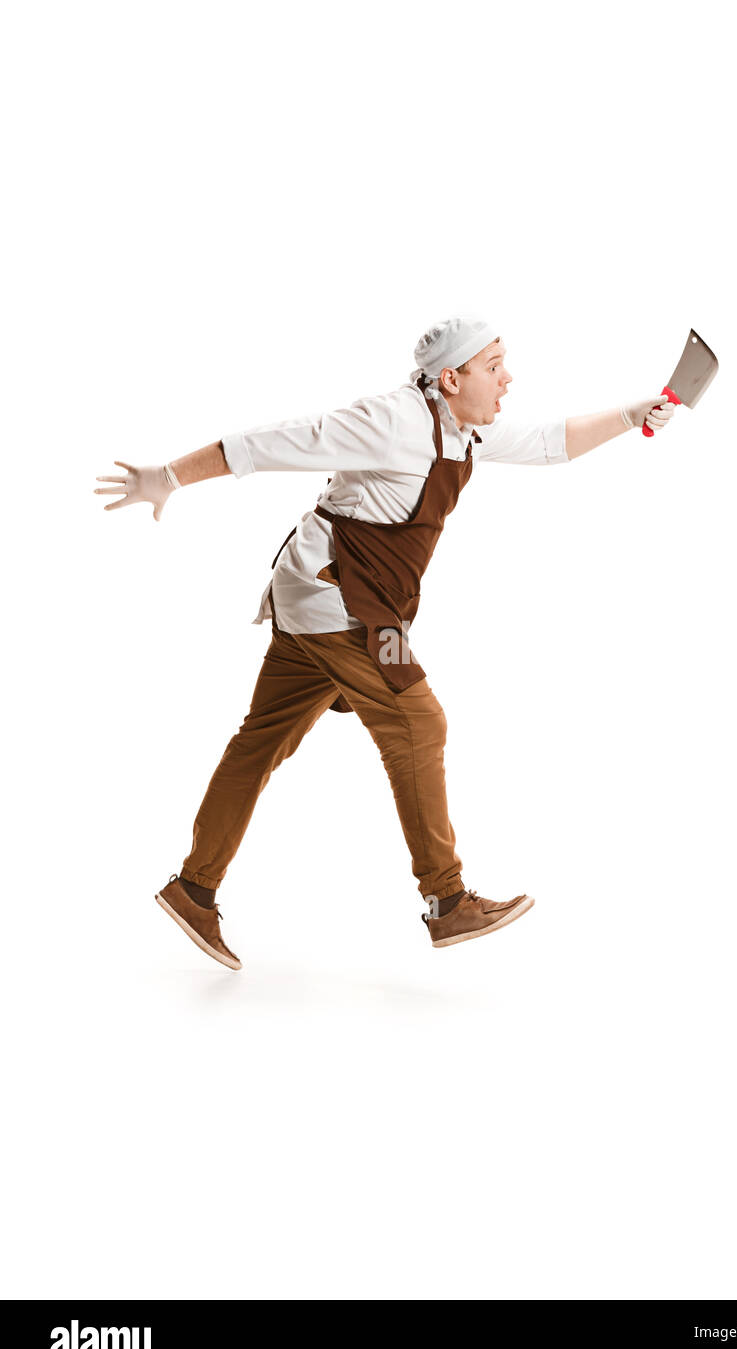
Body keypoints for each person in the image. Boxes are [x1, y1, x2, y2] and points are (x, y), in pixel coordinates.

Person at [95, 316, 675, 969]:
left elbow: (546, 443)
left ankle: (193, 888)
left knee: (261, 739)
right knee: (418, 723)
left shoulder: (462, 429)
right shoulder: (393, 421)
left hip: (330, 599)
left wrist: (631, 415)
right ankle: (447, 902)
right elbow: (264, 444)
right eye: (494, 365)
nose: (508, 376)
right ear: (451, 377)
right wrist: (166, 478)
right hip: (341, 606)